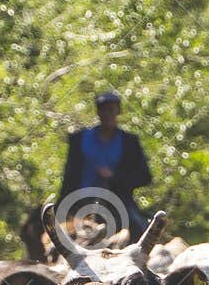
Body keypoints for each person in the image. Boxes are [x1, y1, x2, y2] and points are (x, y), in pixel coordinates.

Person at [58, 90, 154, 238]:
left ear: (118, 111)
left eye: (111, 110)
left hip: (117, 202)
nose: (107, 114)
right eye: (103, 109)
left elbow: (145, 176)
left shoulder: (129, 141)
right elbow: (69, 175)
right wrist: (61, 206)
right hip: (80, 201)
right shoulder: (79, 139)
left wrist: (114, 177)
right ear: (98, 112)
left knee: (141, 231)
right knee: (53, 235)